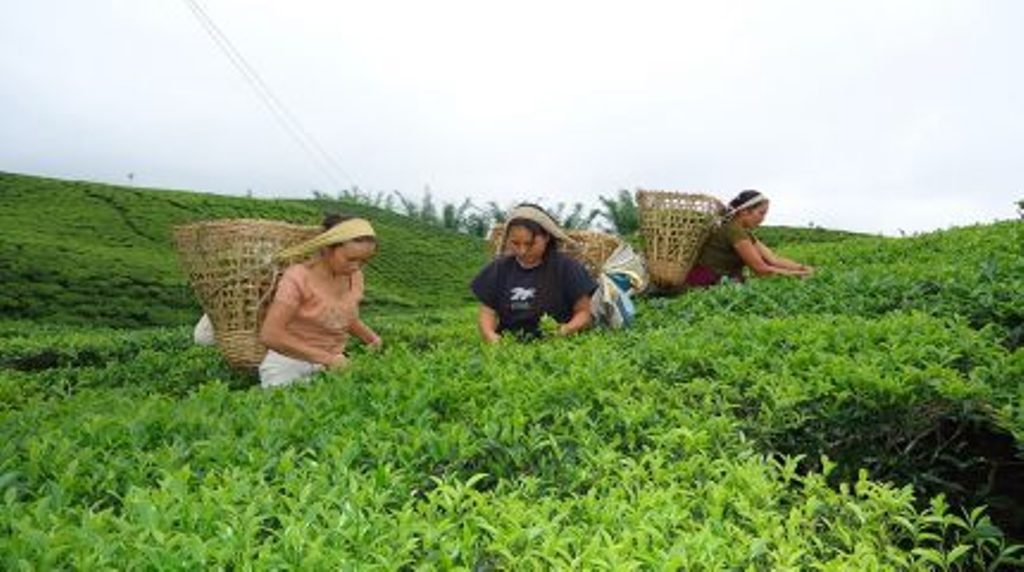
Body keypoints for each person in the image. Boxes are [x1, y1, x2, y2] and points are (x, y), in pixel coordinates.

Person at [258, 214, 382, 388]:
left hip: (334, 364)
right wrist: (327, 359)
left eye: (364, 261)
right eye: (351, 259)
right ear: (327, 249)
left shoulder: (355, 277)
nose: (356, 267)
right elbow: (270, 334)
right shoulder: (298, 277)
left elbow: (343, 316)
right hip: (289, 364)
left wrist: (372, 338)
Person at [471, 203, 598, 342]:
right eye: (515, 243)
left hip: (557, 343)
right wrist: (491, 336)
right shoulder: (498, 269)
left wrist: (564, 331)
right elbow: (488, 311)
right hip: (511, 343)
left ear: (546, 237)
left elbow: (584, 312)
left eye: (530, 244)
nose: (522, 251)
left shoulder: (567, 267)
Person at [685, 190, 814, 287]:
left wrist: (802, 268)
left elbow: (773, 259)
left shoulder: (740, 231)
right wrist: (801, 274)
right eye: (761, 213)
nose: (763, 218)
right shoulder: (734, 231)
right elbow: (761, 270)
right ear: (744, 212)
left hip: (715, 280)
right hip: (705, 282)